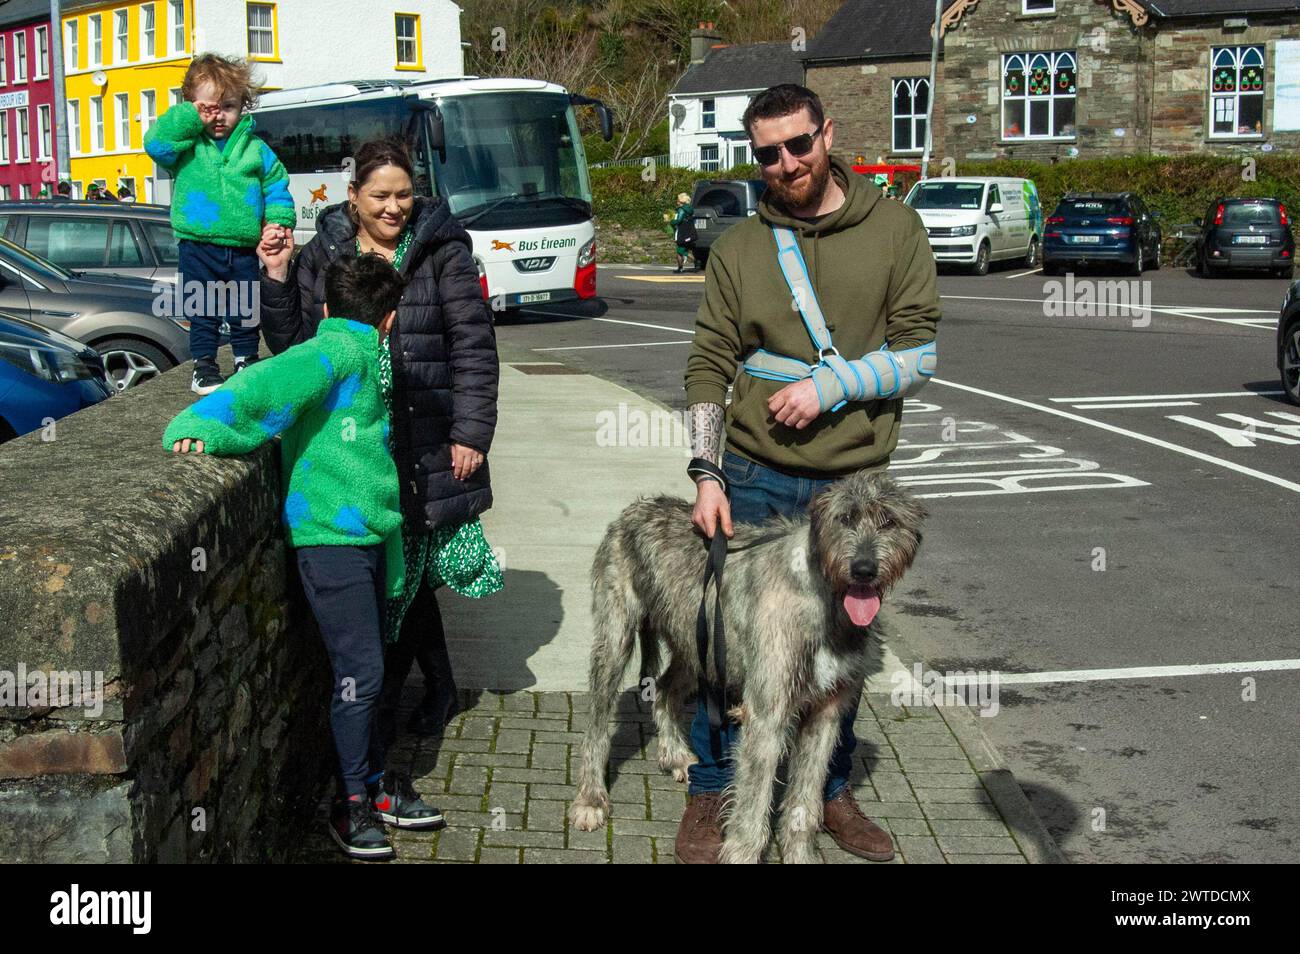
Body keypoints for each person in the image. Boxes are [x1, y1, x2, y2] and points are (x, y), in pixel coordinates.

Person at [680, 83, 941, 864]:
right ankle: (711, 788)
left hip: (855, 485)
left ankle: (826, 793)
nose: (785, 163)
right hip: (756, 477)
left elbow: (921, 354)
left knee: (845, 642)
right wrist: (705, 471)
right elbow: (707, 365)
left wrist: (832, 385)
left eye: (799, 145)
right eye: (767, 153)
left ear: (829, 134)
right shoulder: (739, 247)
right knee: (730, 646)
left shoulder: (895, 229)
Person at [164, 254, 445, 860]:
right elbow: (266, 385)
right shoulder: (343, 353)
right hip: (330, 540)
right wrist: (201, 424)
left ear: (325, 309)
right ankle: (349, 807)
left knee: (366, 672)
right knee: (361, 673)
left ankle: (372, 786)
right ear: (391, 320)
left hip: (362, 535)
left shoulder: (354, 351)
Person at [256, 137, 500, 743]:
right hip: (358, 447)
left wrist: (471, 433)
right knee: (400, 575)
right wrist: (279, 275)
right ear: (353, 196)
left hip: (428, 440)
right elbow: (295, 351)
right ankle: (428, 689)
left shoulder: (443, 250)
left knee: (415, 569)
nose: (395, 208)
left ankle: (399, 699)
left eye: (404, 195)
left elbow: (473, 347)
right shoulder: (324, 252)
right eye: (380, 196)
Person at [144, 52, 296, 395]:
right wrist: (188, 117)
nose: (217, 115)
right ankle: (205, 366)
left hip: (242, 245)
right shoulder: (188, 144)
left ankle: (246, 358)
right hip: (198, 242)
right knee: (204, 309)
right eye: (207, 107)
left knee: (245, 307)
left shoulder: (255, 149)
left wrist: (277, 222)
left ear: (244, 105)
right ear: (191, 106)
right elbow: (155, 145)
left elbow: (276, 186)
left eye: (227, 106)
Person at [664, 192, 696, 272]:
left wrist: (670, 221)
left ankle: (680, 268)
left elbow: (678, 220)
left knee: (680, 251)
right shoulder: (689, 209)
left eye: (677, 200)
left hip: (682, 232)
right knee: (684, 250)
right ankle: (696, 262)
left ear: (681, 201)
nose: (676, 201)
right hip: (689, 232)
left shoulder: (681, 210)